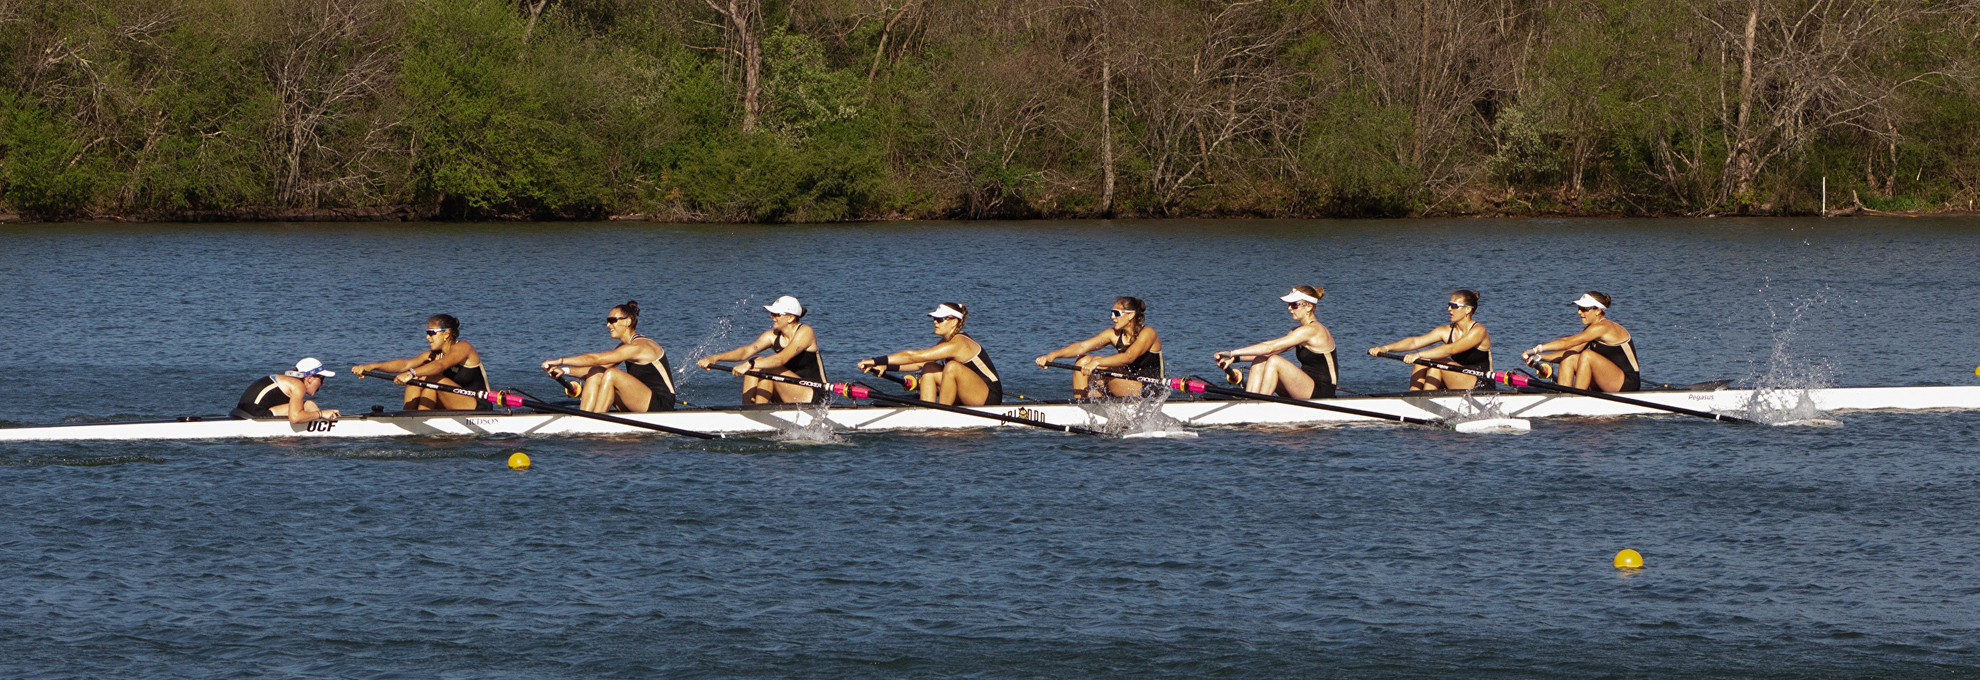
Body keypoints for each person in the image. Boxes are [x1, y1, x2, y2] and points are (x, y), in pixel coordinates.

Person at [540, 301, 677, 413]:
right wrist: (565, 371)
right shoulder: (624, 348)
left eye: (612, 321)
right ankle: (584, 417)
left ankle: (597, 420)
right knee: (596, 371)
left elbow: (597, 358)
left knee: (612, 374)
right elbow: (597, 366)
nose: (608, 325)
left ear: (627, 321)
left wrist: (561, 360)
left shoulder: (640, 346)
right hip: (641, 400)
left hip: (661, 405)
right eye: (607, 321)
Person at [856, 302, 1003, 406]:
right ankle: (927, 409)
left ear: (954, 322)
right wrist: (886, 366)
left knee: (952, 367)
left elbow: (914, 355)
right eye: (934, 319)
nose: (935, 322)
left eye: (940, 319)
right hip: (968, 391)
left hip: (989, 396)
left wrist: (875, 360)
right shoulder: (946, 342)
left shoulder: (959, 344)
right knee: (929, 367)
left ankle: (942, 413)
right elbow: (918, 363)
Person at [1214, 285, 1339, 399]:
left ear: (1309, 306)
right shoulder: (1297, 332)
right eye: (1289, 305)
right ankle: (1250, 399)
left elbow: (1270, 347)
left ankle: (1260, 404)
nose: (1290, 309)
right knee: (1260, 359)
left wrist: (1232, 353)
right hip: (1305, 386)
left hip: (1322, 392)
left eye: (1294, 305)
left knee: (1275, 361)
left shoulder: (1313, 330)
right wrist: (1235, 359)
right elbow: (1269, 351)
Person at [698, 295, 826, 404]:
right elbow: (745, 352)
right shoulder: (772, 336)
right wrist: (715, 358)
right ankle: (749, 409)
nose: (772, 317)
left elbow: (780, 359)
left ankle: (758, 413)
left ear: (790, 318)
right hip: (788, 390)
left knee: (763, 365)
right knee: (758, 365)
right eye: (771, 313)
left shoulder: (805, 332)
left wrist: (749, 364)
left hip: (814, 395)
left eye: (777, 314)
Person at [350, 314, 491, 411]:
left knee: (430, 377)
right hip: (453, 404)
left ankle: (419, 418)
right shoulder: (433, 355)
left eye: (431, 333)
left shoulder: (463, 347)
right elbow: (405, 364)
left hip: (478, 405)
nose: (427, 337)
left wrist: (411, 373)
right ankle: (408, 416)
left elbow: (440, 366)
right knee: (417, 379)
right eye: (427, 333)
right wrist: (372, 366)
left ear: (446, 334)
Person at [1033, 296, 1163, 398]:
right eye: (1111, 313)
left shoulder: (1148, 333)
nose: (1112, 317)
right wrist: (1052, 356)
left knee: (1100, 368)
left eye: (1116, 313)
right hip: (1126, 383)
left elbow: (1128, 357)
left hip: (1150, 389)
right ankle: (1083, 405)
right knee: (1082, 362)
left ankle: (1096, 403)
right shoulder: (1113, 334)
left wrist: (1097, 362)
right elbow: (1081, 346)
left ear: (1131, 315)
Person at [1366, 289, 1493, 391]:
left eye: (1454, 306)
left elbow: (1450, 349)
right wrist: (1385, 348)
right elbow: (1414, 342)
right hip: (1456, 378)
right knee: (1423, 362)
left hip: (1481, 383)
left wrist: (1418, 354)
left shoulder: (1479, 331)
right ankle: (1414, 397)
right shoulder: (1445, 331)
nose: (1449, 309)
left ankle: (1424, 402)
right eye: (1449, 305)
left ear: (1467, 309)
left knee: (1436, 364)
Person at [1522, 291, 1640, 392]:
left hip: (1628, 384)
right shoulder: (1590, 330)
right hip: (1607, 378)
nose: (1579, 312)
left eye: (1584, 309)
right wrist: (1538, 357)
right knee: (1569, 356)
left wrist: (1536, 349)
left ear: (1597, 311)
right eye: (1579, 308)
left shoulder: (1604, 327)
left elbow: (1568, 341)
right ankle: (1563, 396)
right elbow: (1569, 350)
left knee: (1587, 355)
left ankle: (1578, 398)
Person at [235, 357, 340, 423]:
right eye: (321, 379)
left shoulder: (289, 381)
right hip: (253, 416)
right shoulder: (298, 386)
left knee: (304, 407)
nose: (322, 384)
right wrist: (321, 414)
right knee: (308, 405)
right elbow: (295, 418)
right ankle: (322, 426)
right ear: (309, 378)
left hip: (240, 412)